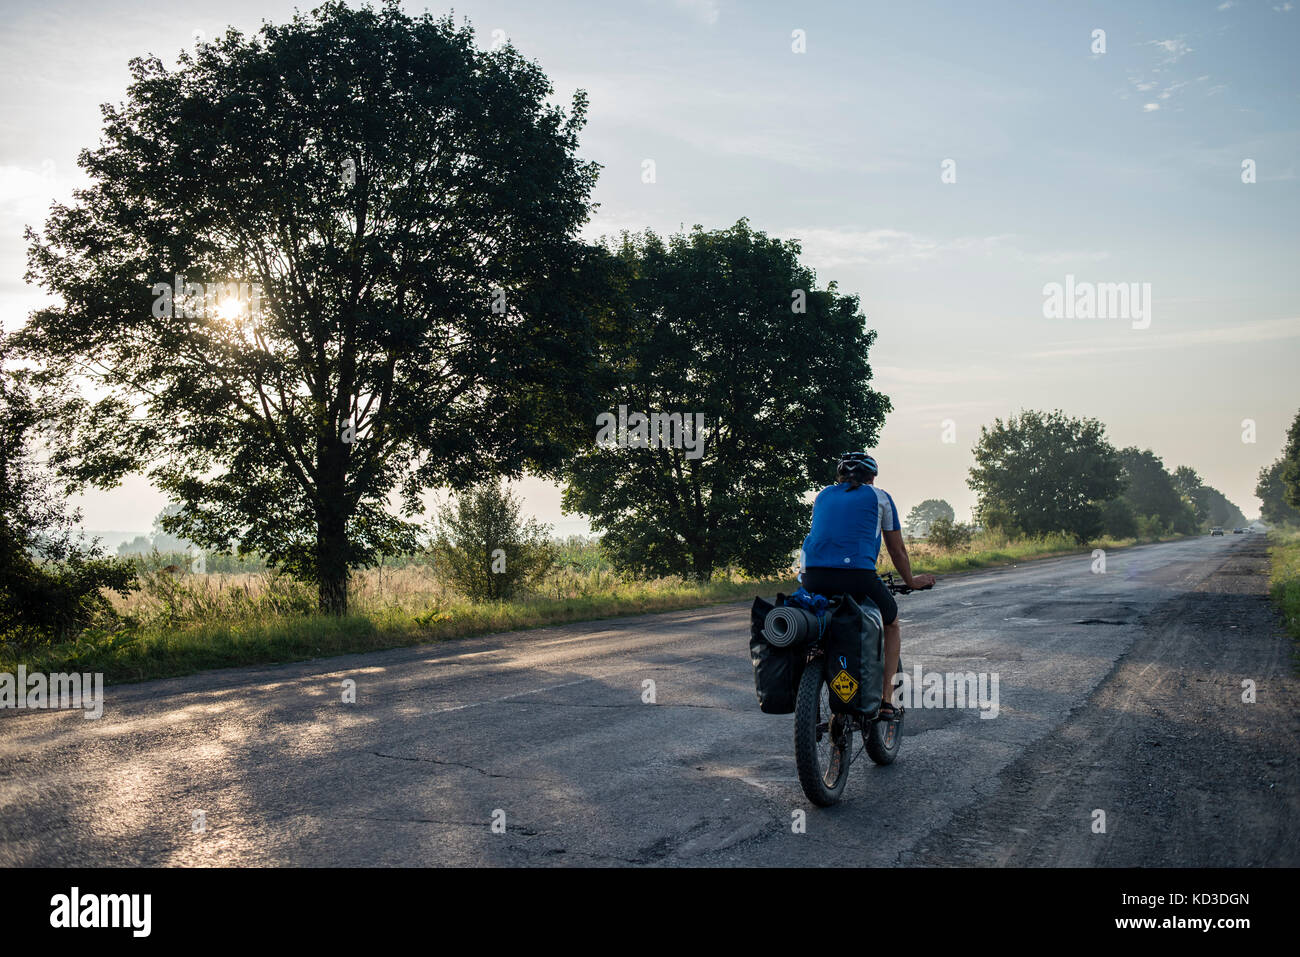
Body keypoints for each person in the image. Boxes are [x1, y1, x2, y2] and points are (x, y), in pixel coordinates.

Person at [799, 451, 935, 718]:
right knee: (891, 623)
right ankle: (887, 701)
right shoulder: (880, 497)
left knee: (817, 624)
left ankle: (810, 687)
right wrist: (911, 581)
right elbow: (897, 551)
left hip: (812, 575)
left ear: (839, 477)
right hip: (857, 575)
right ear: (872, 477)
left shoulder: (823, 495)